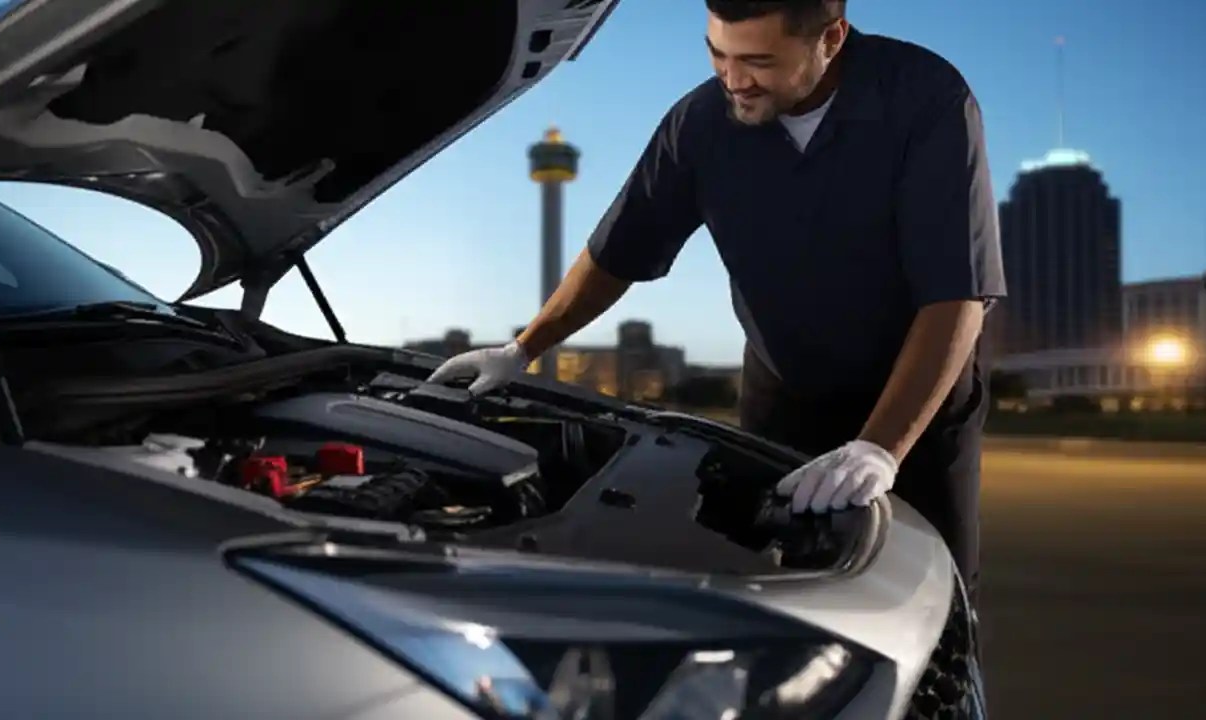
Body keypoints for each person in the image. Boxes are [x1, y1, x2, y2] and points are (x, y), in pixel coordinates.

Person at [426, 0, 1005, 600]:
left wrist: (880, 448)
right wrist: (522, 350)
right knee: (774, 591)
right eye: (718, 54)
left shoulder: (927, 100)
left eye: (757, 61)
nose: (733, 80)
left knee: (936, 597)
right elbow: (615, 253)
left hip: (918, 404)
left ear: (831, 39)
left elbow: (955, 294)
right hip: (783, 397)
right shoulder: (700, 123)